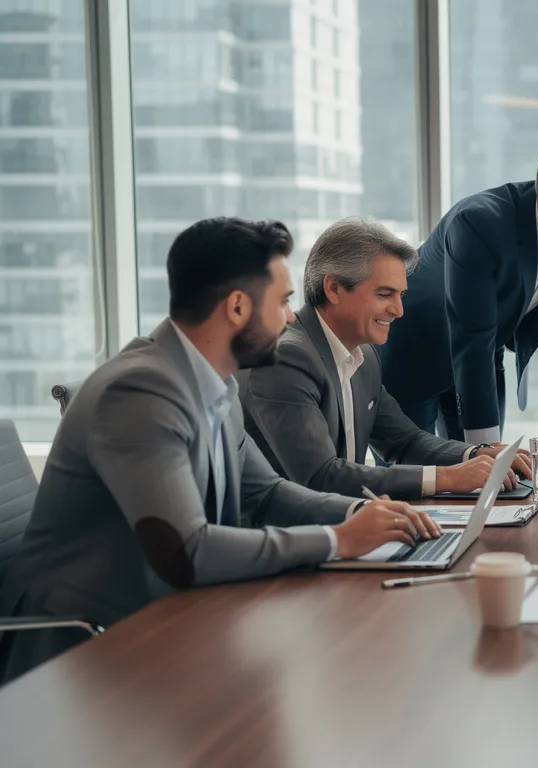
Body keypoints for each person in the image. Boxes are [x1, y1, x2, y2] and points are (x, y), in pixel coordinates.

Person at [0, 218, 440, 683]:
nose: (292, 318)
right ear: (236, 307)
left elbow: (266, 492)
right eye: (282, 301)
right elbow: (188, 550)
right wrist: (338, 539)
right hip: (80, 653)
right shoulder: (138, 391)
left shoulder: (216, 382)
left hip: (166, 620)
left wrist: (360, 512)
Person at [237, 217, 533, 499]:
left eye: (400, 295)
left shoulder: (364, 356)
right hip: (292, 531)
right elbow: (321, 477)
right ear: (334, 288)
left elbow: (404, 441)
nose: (398, 310)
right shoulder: (287, 358)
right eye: (384, 294)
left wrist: (477, 454)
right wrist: (447, 478)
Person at [377, 136, 538, 452]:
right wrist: (485, 450)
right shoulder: (478, 222)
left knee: (488, 474)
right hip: (415, 356)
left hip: (482, 357)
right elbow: (471, 334)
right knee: (423, 474)